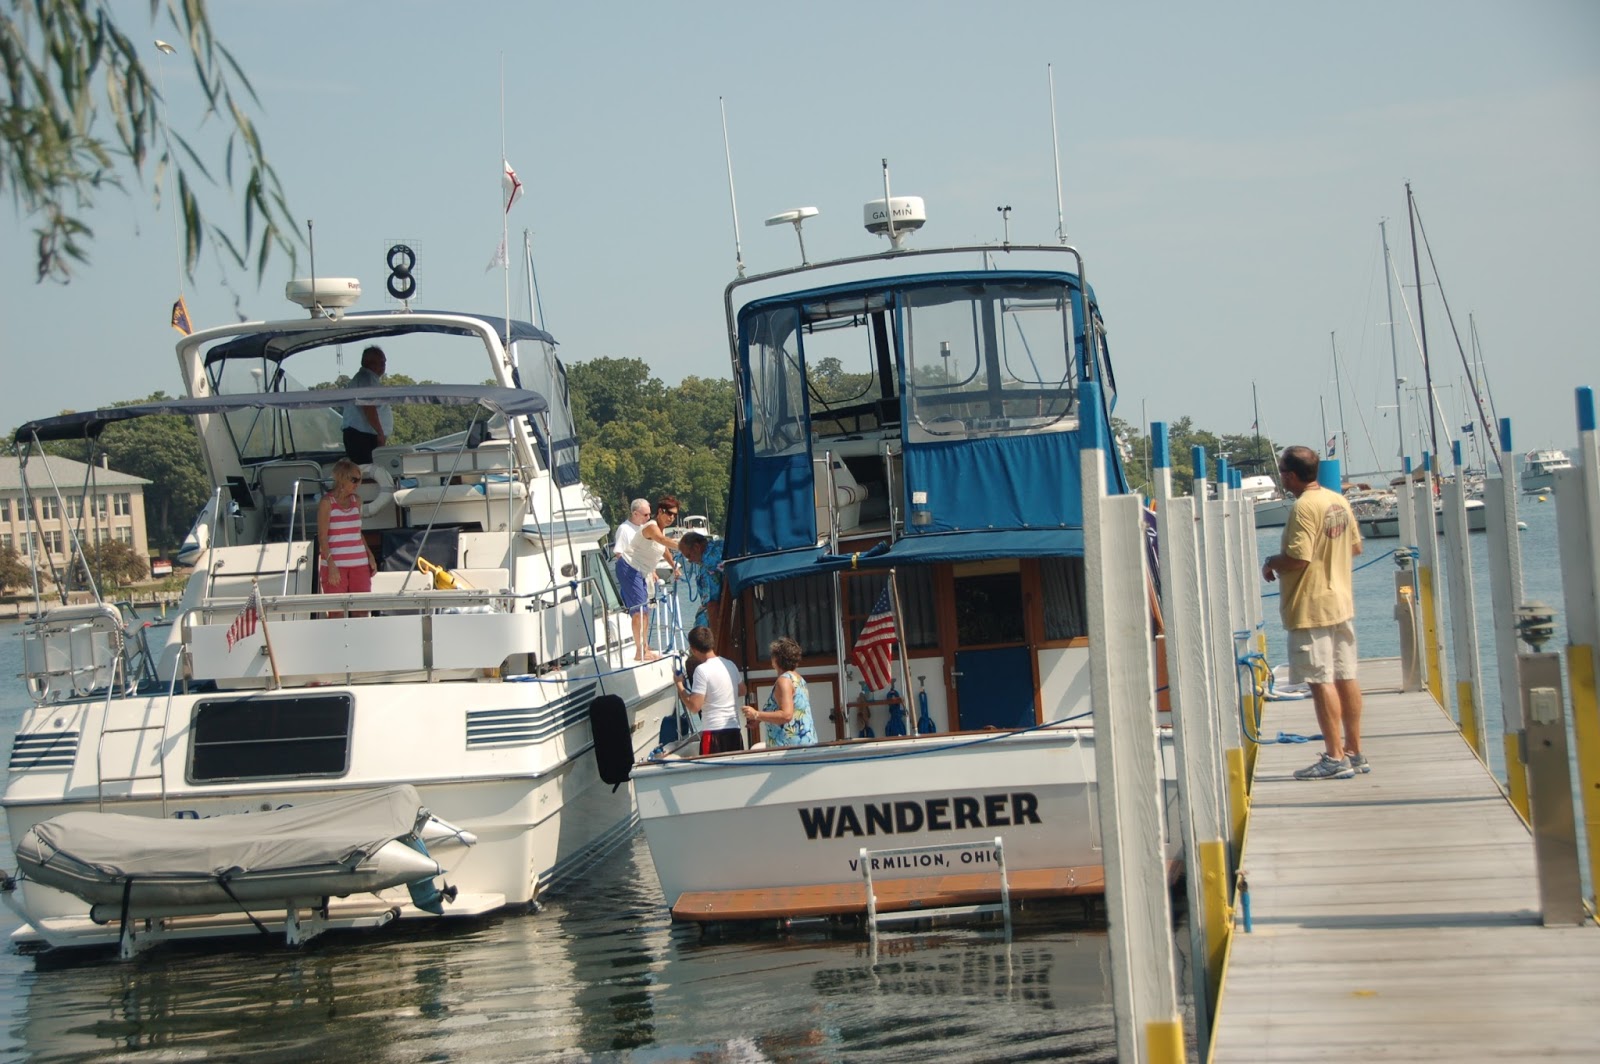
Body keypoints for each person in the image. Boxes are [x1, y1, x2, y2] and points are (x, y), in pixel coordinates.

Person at [1261, 444, 1366, 779]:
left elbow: (1298, 558)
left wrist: (1270, 563)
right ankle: (1354, 750)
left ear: (1291, 475)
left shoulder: (1304, 507)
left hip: (1311, 607)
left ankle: (1335, 758)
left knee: (1320, 682)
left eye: (1282, 472)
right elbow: (1356, 547)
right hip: (1340, 602)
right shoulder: (1338, 500)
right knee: (1345, 676)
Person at [618, 495, 682, 660]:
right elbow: (662, 540)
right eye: (669, 513)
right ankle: (640, 652)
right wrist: (684, 545)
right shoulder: (651, 527)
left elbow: (663, 547)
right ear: (660, 511)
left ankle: (644, 647)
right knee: (639, 611)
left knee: (644, 610)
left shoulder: (660, 529)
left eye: (675, 515)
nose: (671, 518)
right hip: (629, 568)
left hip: (641, 571)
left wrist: (673, 565)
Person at [317, 458, 378, 618]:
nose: (358, 484)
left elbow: (357, 532)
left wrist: (370, 555)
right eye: (354, 480)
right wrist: (331, 565)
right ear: (342, 479)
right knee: (336, 613)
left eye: (360, 480)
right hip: (336, 566)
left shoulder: (356, 501)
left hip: (359, 564)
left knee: (361, 610)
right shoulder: (326, 503)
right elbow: (322, 537)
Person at [674, 625, 744, 755]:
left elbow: (694, 707)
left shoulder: (702, 670)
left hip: (714, 732)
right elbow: (742, 691)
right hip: (734, 730)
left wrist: (680, 685)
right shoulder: (730, 664)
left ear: (693, 649)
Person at [742, 636, 818, 747]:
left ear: (776, 659)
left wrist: (756, 714)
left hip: (789, 749)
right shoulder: (799, 679)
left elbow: (786, 715)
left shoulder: (784, 681)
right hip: (804, 744)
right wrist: (760, 719)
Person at [342, 345, 393, 463]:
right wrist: (380, 433)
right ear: (369, 363)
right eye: (381, 363)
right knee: (368, 471)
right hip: (363, 436)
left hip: (362, 435)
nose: (383, 366)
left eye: (384, 363)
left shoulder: (365, 378)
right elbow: (369, 407)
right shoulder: (366, 378)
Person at [677, 530, 724, 635]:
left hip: (723, 612)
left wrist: (715, 642)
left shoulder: (708, 567)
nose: (689, 561)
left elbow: (713, 605)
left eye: (689, 556)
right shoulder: (720, 545)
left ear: (697, 547)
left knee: (698, 631)